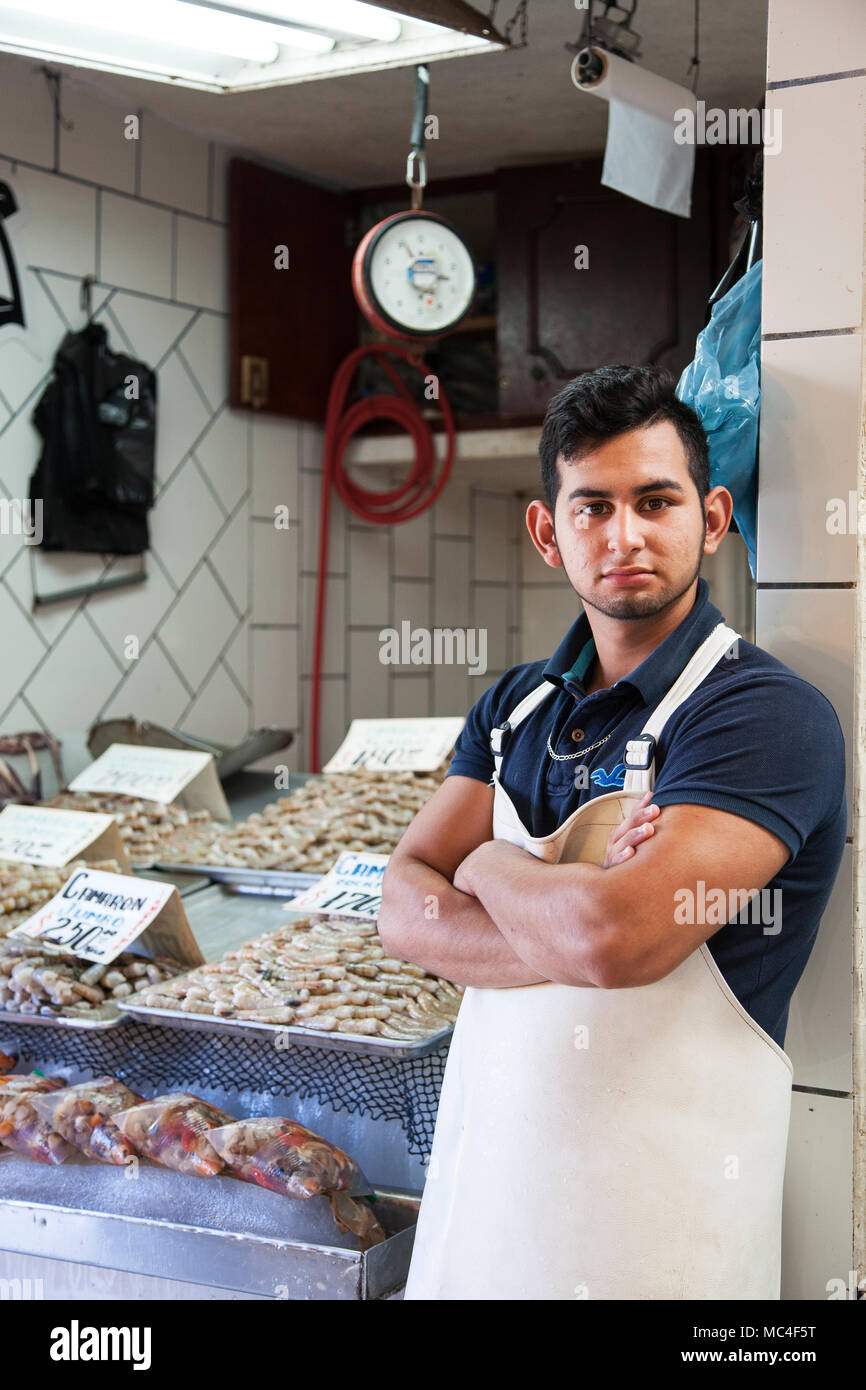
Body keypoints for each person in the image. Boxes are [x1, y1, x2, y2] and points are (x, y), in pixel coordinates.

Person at [379, 364, 847, 1301]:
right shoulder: (516, 709)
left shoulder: (759, 715)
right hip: (480, 1237)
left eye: (655, 501)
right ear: (548, 533)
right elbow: (401, 910)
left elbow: (615, 938)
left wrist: (487, 864)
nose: (624, 535)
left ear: (711, 519)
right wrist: (567, 908)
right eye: (592, 507)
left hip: (664, 1254)